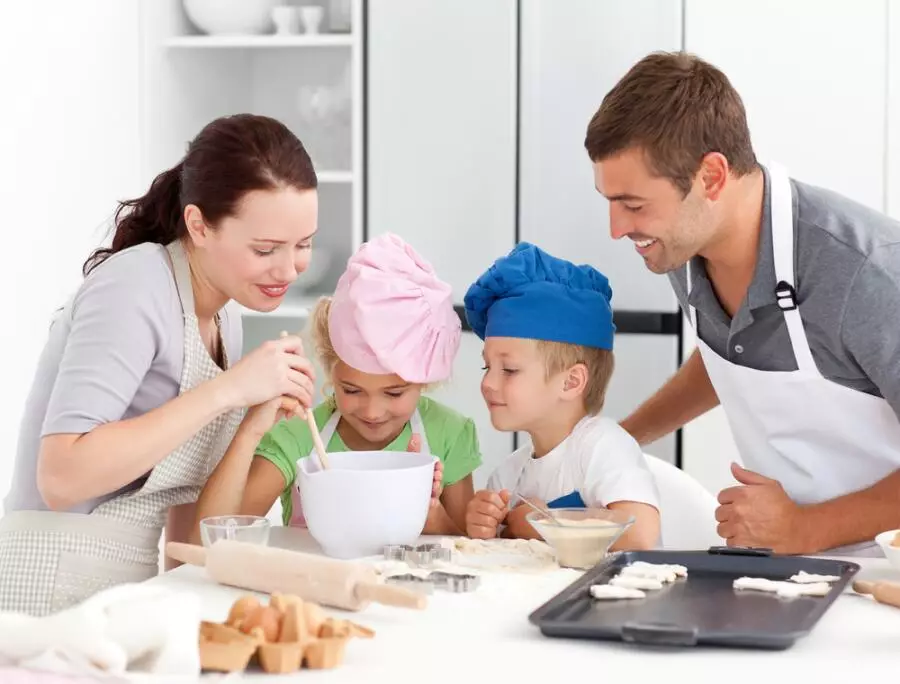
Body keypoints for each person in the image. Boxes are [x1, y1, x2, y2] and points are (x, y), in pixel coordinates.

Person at [0, 114, 319, 615]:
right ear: (199, 224)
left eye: (303, 245)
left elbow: (188, 541)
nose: (289, 269)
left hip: (129, 598)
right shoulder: (134, 285)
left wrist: (252, 425)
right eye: (265, 249)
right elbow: (62, 479)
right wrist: (230, 390)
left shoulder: (224, 319)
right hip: (49, 593)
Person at [585, 51, 900, 556]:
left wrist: (804, 529)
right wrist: (613, 444)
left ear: (711, 177)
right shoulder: (683, 249)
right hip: (792, 569)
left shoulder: (866, 272)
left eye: (634, 205)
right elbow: (733, 355)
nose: (617, 229)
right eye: (610, 202)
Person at [192, 233, 483, 537]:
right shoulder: (299, 434)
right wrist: (251, 430)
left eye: (394, 392)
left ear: (424, 381)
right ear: (331, 371)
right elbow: (215, 538)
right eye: (351, 390)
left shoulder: (448, 434)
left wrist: (430, 514)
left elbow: (468, 551)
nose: (372, 411)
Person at [462, 243, 661, 549]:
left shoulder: (602, 445)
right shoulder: (507, 476)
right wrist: (485, 527)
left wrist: (545, 523)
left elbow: (640, 532)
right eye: (486, 366)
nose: (488, 382)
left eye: (510, 369)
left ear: (571, 382)